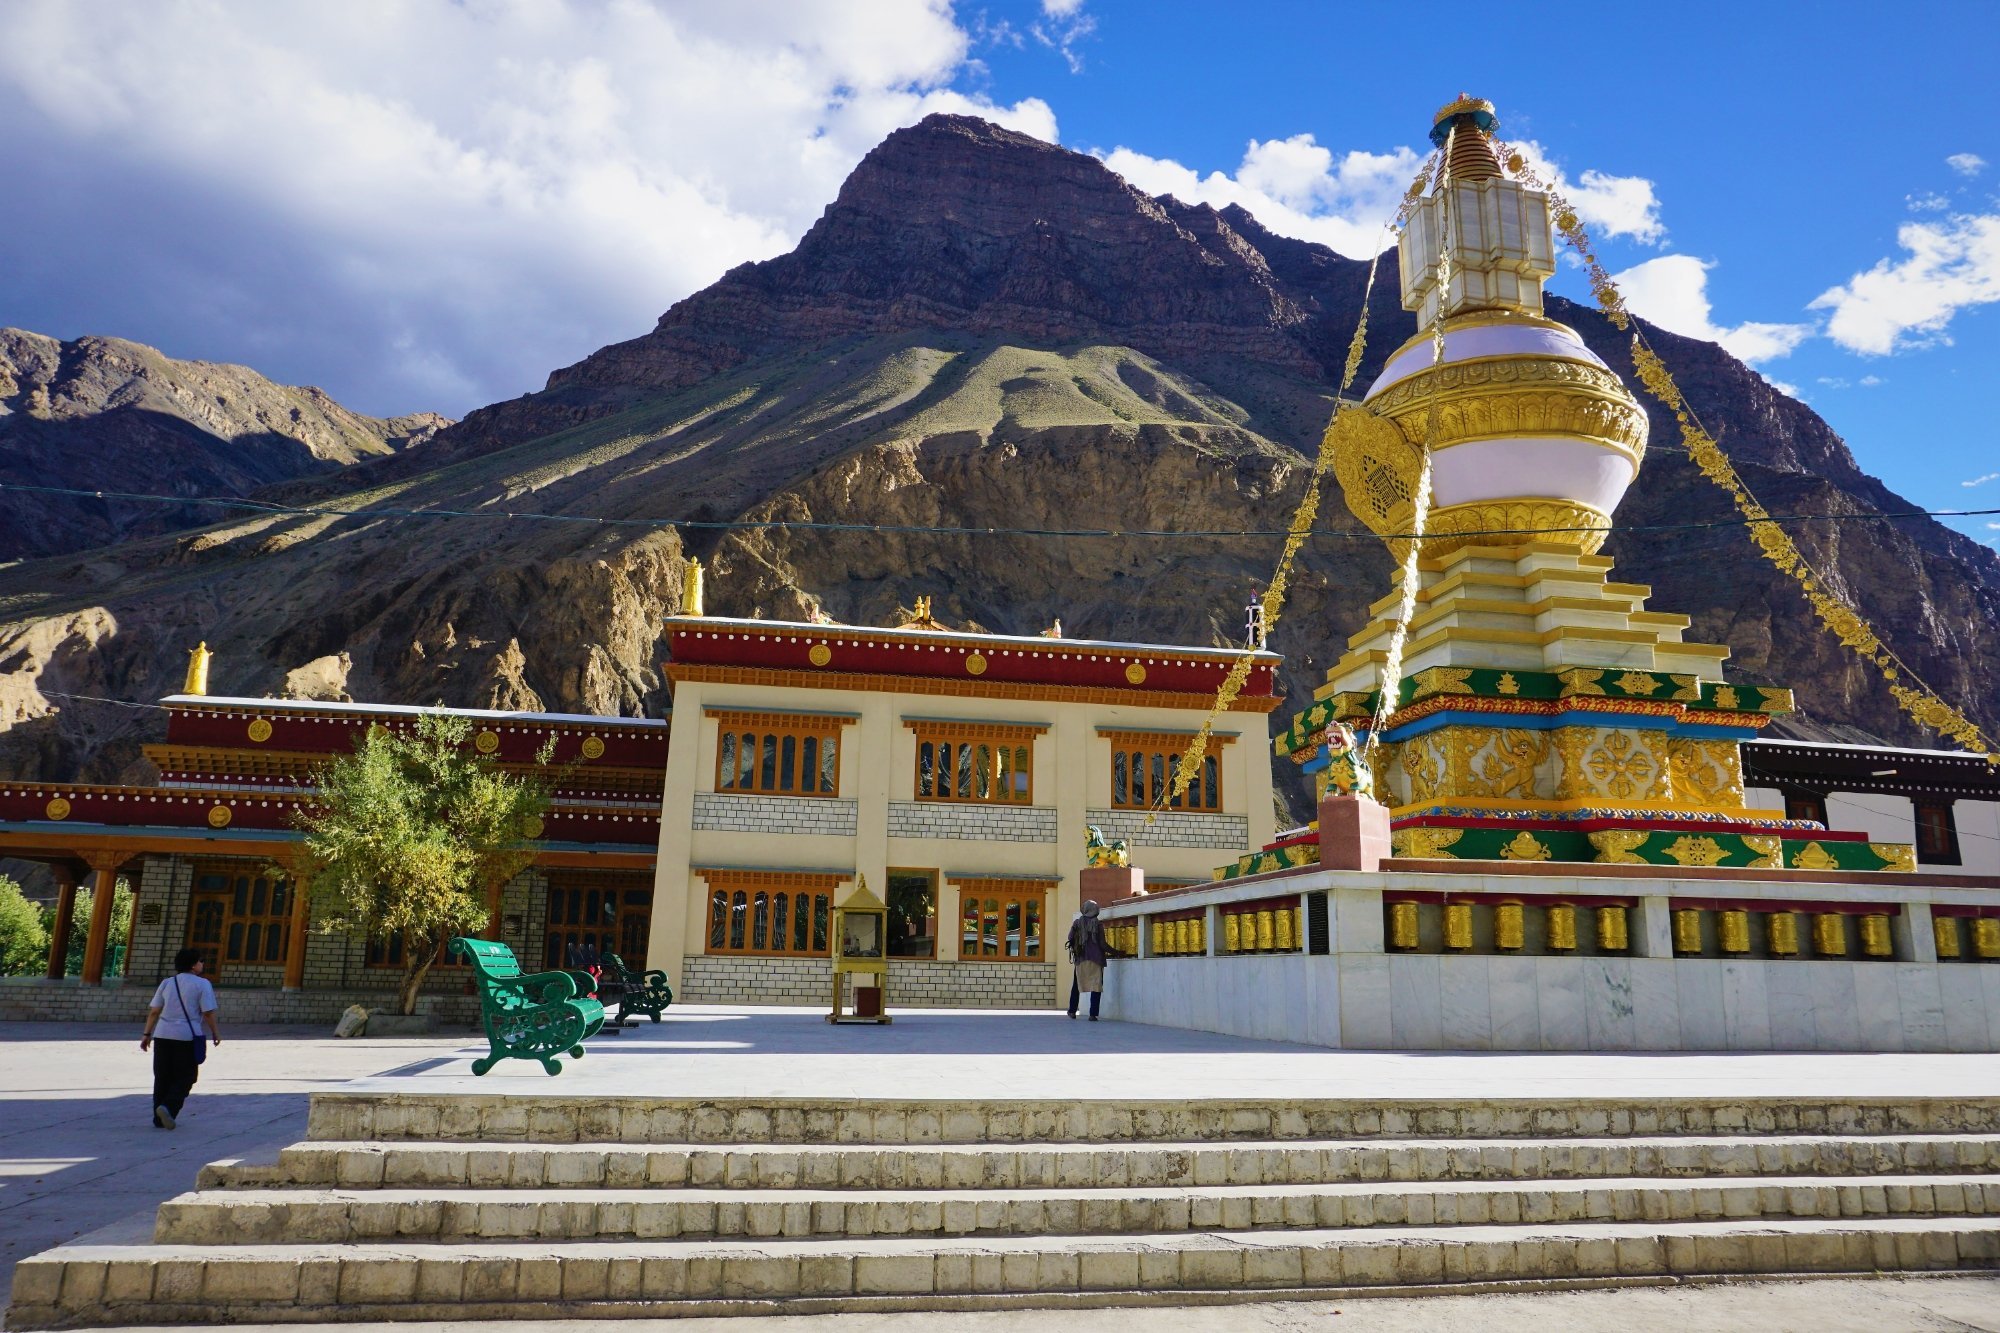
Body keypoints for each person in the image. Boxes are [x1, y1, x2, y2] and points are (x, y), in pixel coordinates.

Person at [140, 948, 221, 1129]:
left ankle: (158, 1118)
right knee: (187, 1076)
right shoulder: (202, 984)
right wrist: (215, 1032)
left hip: (162, 1034)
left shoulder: (167, 983)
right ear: (193, 965)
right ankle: (168, 1107)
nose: (202, 964)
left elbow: (154, 1011)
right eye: (200, 961)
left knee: (162, 1076)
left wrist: (146, 1034)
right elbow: (207, 1012)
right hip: (186, 1036)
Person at [1066, 900, 1109, 1021]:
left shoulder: (1077, 923)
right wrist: (1117, 952)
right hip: (1096, 959)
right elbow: (1102, 944)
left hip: (1081, 958)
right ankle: (1093, 1014)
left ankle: (1072, 1011)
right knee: (1096, 986)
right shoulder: (1098, 924)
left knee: (1076, 985)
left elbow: (1070, 938)